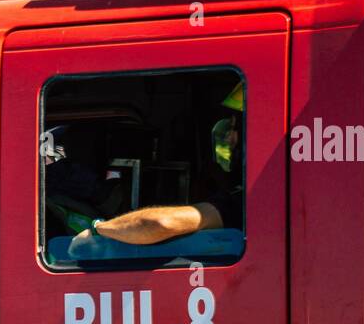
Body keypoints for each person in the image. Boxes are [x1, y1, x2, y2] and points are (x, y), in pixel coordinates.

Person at [67, 83, 244, 253]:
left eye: (234, 128)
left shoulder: (240, 202)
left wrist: (98, 230)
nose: (229, 139)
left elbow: (162, 223)